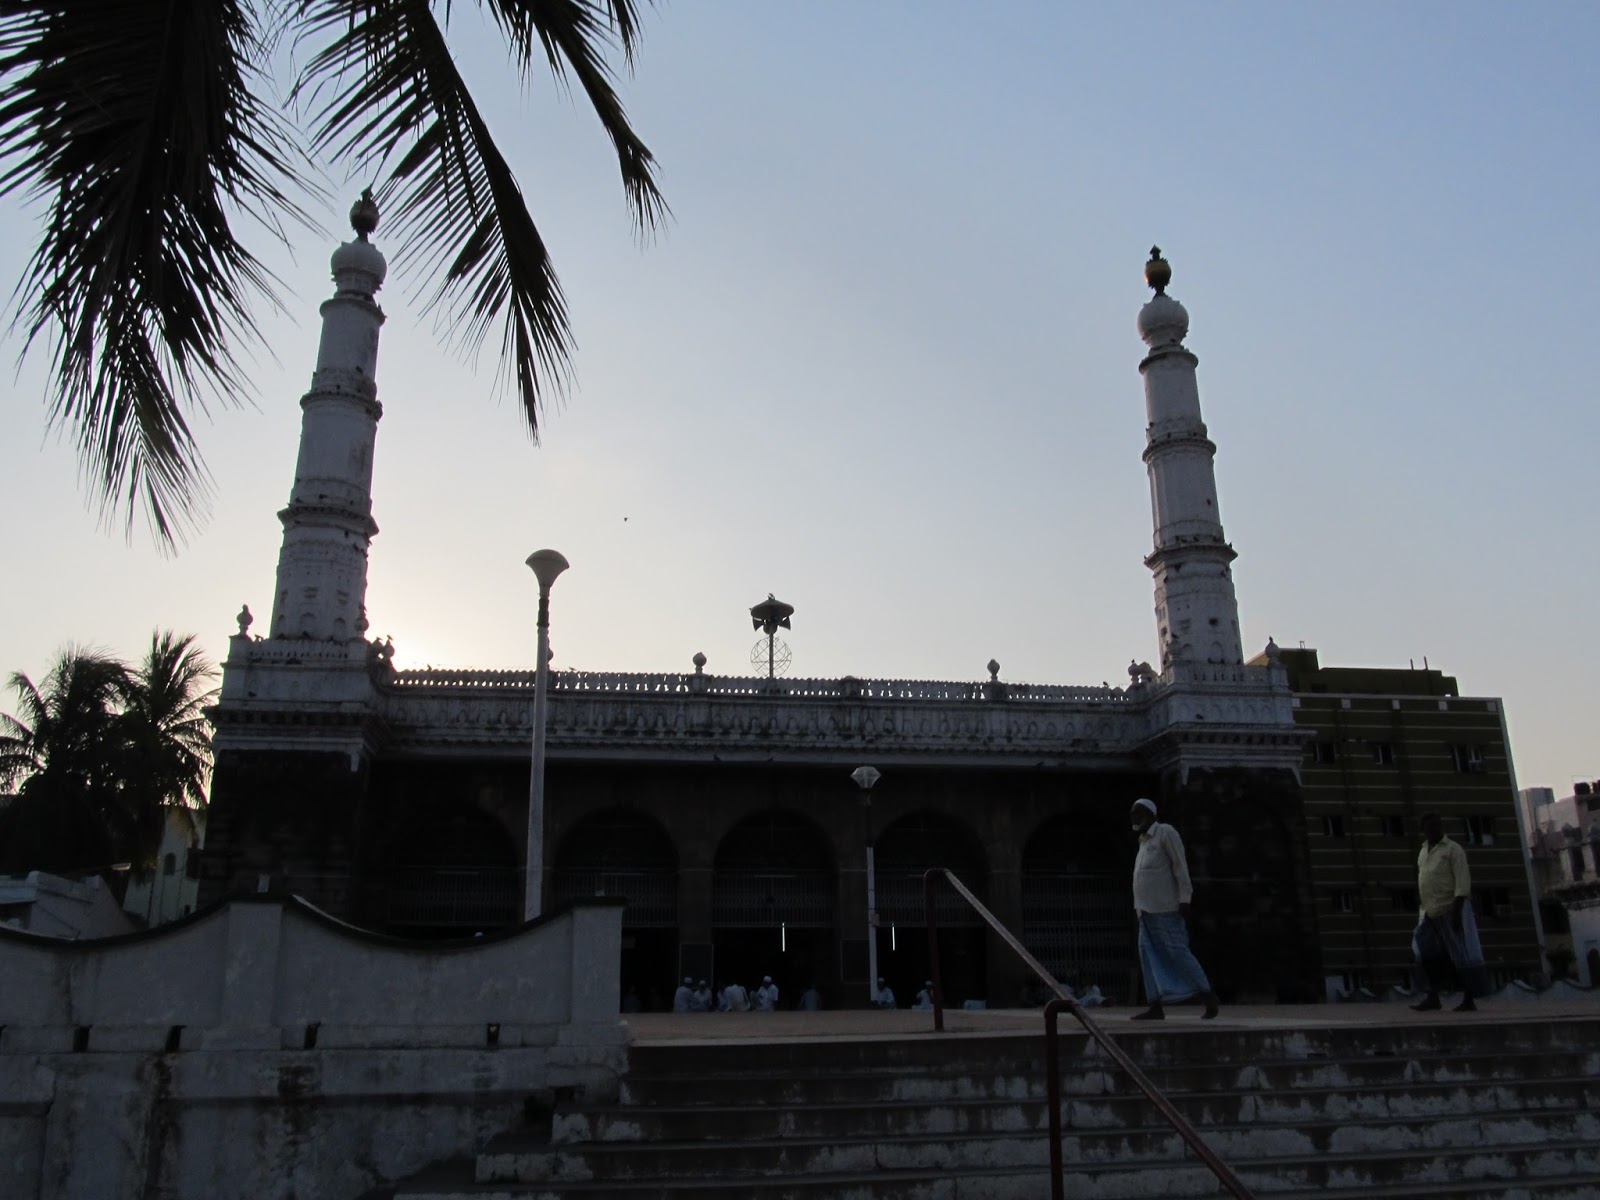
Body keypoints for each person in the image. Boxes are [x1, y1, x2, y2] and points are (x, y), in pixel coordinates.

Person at [1129, 797, 1219, 1020]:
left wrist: (1185, 898)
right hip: (1145, 911)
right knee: (1147, 957)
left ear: (1151, 814)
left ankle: (1207, 995)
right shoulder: (1143, 842)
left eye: (1139, 812)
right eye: (1133, 814)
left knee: (1178, 952)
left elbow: (1180, 866)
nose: (1135, 817)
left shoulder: (1165, 833)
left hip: (1165, 909)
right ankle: (1155, 1005)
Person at [1411, 812, 1492, 1012]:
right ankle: (1433, 996)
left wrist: (1457, 910)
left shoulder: (1453, 849)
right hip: (1429, 911)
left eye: (1437, 825)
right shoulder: (1423, 851)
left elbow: (1462, 881)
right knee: (1424, 951)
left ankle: (1469, 998)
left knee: (1461, 953)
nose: (1435, 829)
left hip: (1451, 908)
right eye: (1430, 827)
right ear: (1423, 830)